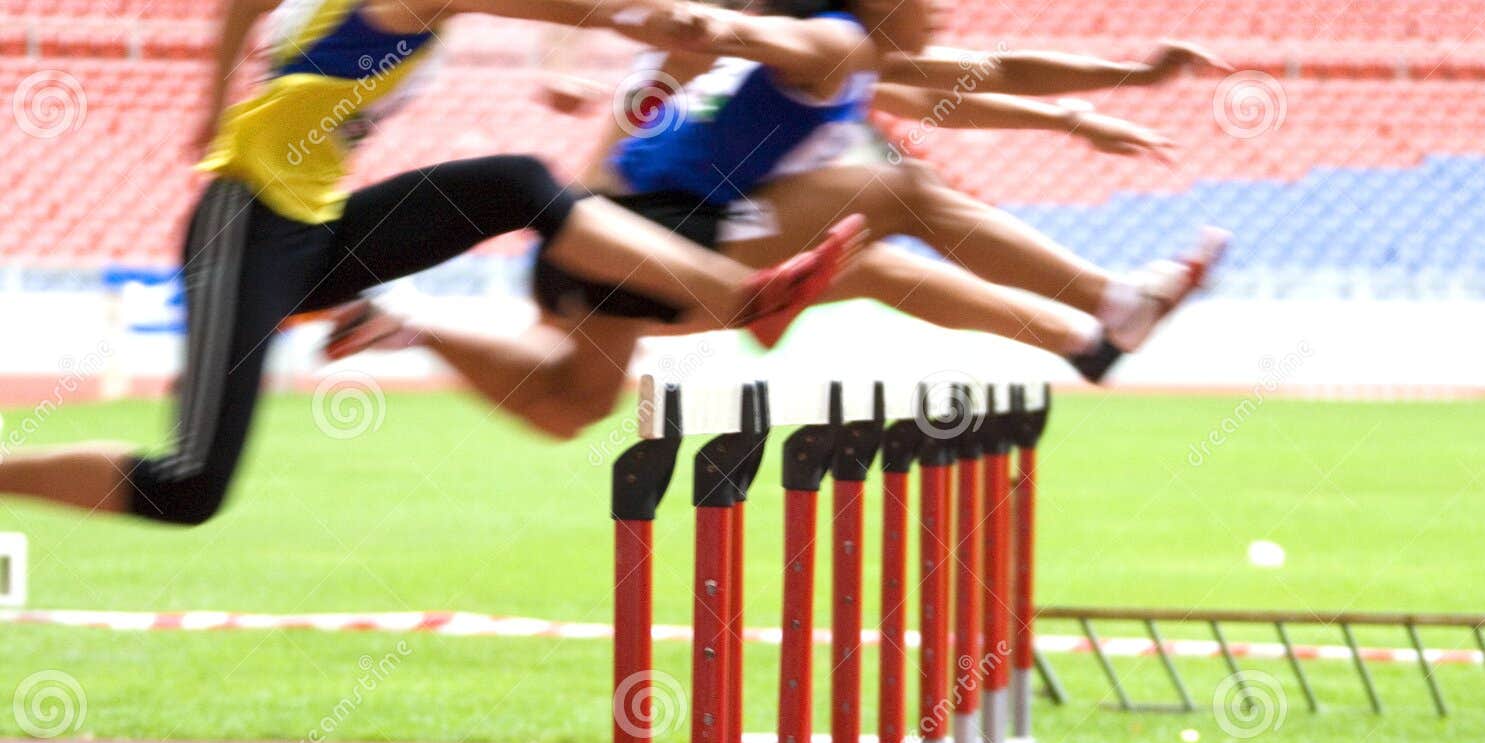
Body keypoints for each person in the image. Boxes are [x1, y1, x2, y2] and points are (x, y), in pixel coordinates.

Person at [0, 0, 861, 525]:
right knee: (187, 487)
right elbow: (559, 6)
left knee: (516, 184)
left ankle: (749, 298)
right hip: (248, 223)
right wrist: (647, 16)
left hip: (314, 224)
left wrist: (215, 94)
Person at [330, 0, 1227, 404]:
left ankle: (400, 325)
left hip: (609, 261)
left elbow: (989, 75)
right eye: (932, 1)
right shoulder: (827, 42)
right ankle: (1109, 305)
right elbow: (750, 30)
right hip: (650, 232)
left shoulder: (861, 61)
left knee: (571, 400)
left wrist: (1114, 90)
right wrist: (710, 28)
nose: (944, 12)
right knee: (894, 190)